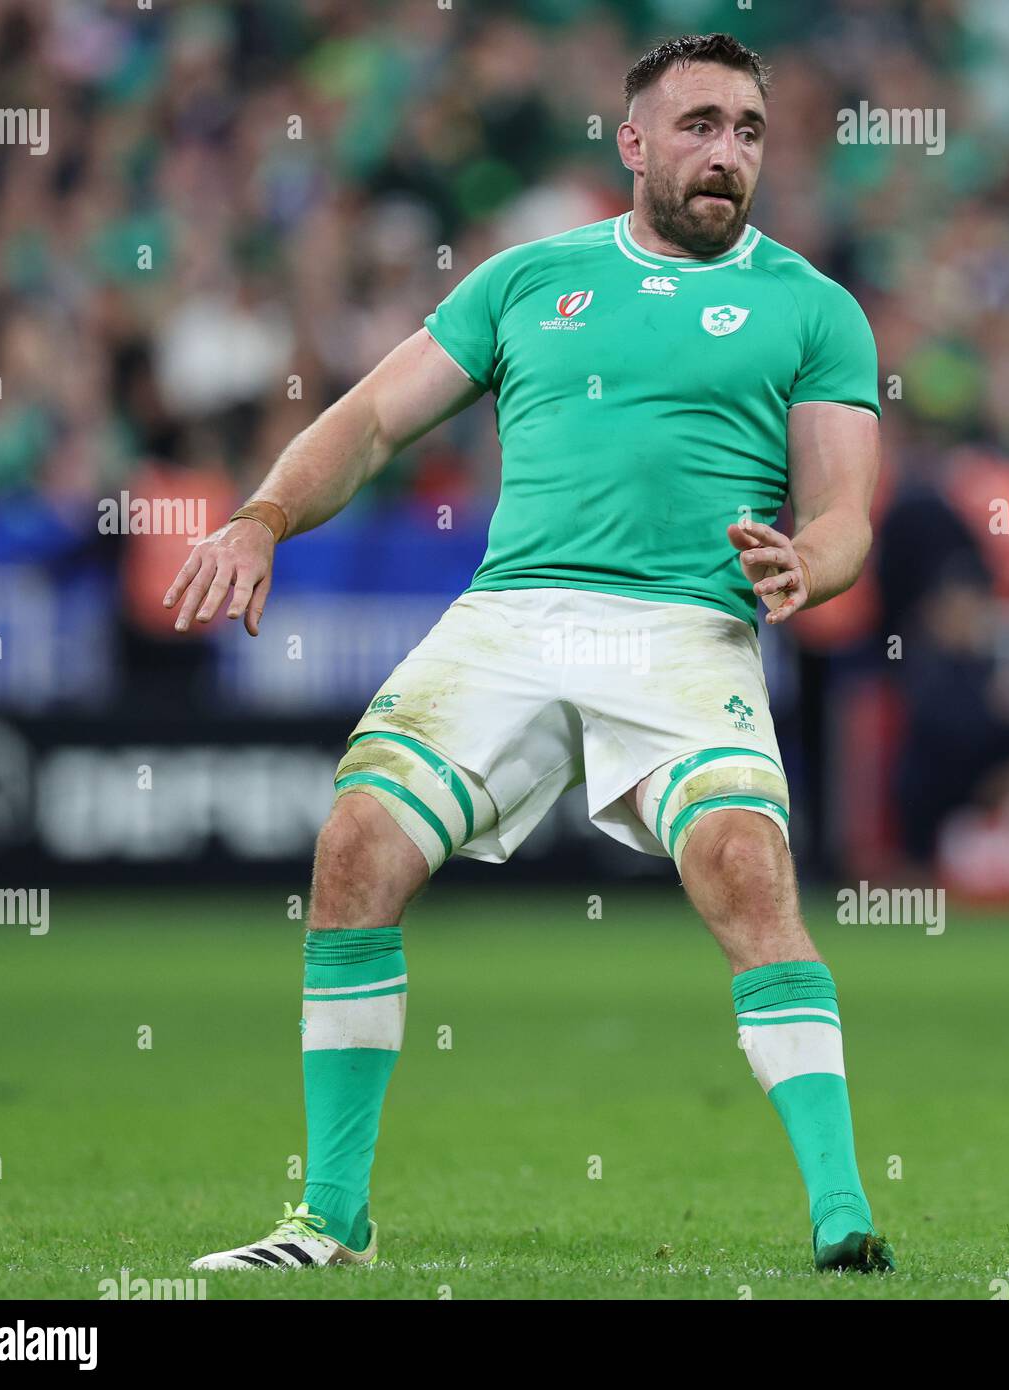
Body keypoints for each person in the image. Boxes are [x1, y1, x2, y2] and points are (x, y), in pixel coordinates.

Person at [168, 32, 891, 1274]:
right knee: (354, 849)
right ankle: (331, 1221)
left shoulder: (812, 307)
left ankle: (843, 1221)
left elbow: (842, 511)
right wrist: (262, 513)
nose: (726, 153)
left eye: (748, 131)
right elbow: (372, 417)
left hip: (687, 628)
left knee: (745, 870)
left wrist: (805, 565)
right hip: (509, 619)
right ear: (632, 143)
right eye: (700, 125)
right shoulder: (524, 281)